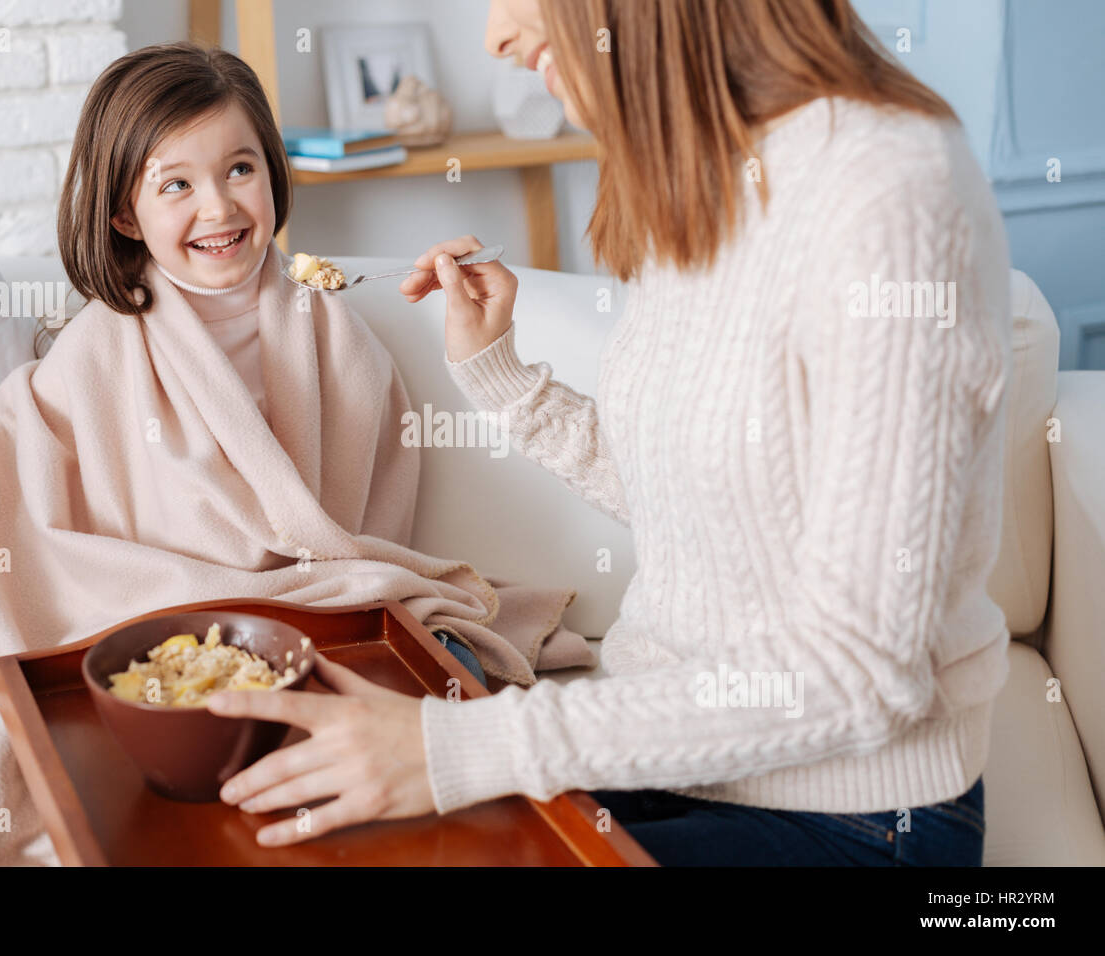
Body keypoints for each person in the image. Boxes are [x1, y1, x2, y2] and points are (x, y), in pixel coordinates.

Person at [207, 0, 1009, 867]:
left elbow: (859, 672)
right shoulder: (705, 173)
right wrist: (502, 378)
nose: (494, 40)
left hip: (852, 816)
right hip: (666, 758)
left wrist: (460, 749)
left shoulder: (890, 189)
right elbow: (694, 501)